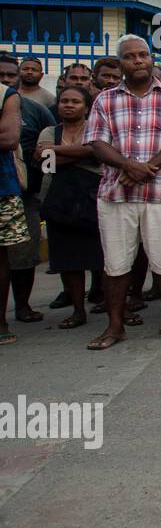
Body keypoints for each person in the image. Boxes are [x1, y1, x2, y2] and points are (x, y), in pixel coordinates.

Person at [84, 35, 161, 349]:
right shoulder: (105, 100)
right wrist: (128, 166)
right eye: (130, 56)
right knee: (116, 264)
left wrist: (145, 168)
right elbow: (96, 143)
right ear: (121, 63)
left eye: (143, 55)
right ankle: (114, 326)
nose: (137, 61)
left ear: (151, 59)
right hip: (117, 196)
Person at [35, 86, 104, 330]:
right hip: (60, 201)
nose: (69, 105)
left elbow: (98, 153)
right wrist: (83, 153)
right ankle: (77, 310)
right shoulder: (49, 131)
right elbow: (44, 162)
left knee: (102, 255)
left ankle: (104, 300)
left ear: (86, 107)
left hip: (91, 199)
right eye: (64, 101)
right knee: (67, 259)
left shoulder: (95, 127)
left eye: (75, 101)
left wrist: (56, 151)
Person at [0, 54, 55, 325]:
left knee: (24, 254)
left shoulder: (35, 109)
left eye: (11, 75)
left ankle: (22, 306)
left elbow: (49, 142)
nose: (7, 79)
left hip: (23, 192)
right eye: (3, 74)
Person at [0, 76, 26, 345]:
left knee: (2, 257)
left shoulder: (5, 94)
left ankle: (1, 322)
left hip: (2, 187)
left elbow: (8, 138)